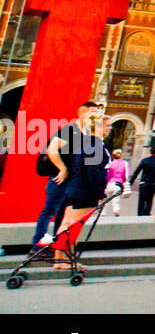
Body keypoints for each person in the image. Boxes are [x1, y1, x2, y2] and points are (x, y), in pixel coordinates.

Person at [50, 105, 110, 271]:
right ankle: (69, 260)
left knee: (66, 224)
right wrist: (100, 192)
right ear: (98, 127)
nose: (110, 128)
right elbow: (93, 172)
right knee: (74, 227)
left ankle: (59, 259)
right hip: (85, 191)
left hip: (75, 188)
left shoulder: (87, 143)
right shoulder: (95, 145)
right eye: (107, 125)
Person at [33, 102, 100, 245]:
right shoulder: (70, 130)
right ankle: (37, 244)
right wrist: (62, 168)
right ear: (82, 114)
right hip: (60, 179)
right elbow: (52, 149)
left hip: (72, 181)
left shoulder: (87, 133)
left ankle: (57, 244)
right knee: (50, 211)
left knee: (63, 214)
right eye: (93, 112)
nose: (96, 115)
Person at [130, 143, 155, 217]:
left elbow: (137, 172)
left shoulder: (145, 160)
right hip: (154, 183)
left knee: (141, 200)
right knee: (150, 199)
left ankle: (140, 214)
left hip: (144, 182)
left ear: (150, 152)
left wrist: (131, 182)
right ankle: (147, 213)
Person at [105, 148, 130, 216]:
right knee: (116, 199)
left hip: (109, 183)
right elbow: (126, 176)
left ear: (113, 155)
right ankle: (116, 210)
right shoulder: (125, 163)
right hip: (118, 184)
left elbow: (107, 175)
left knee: (105, 198)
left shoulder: (110, 164)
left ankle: (103, 213)